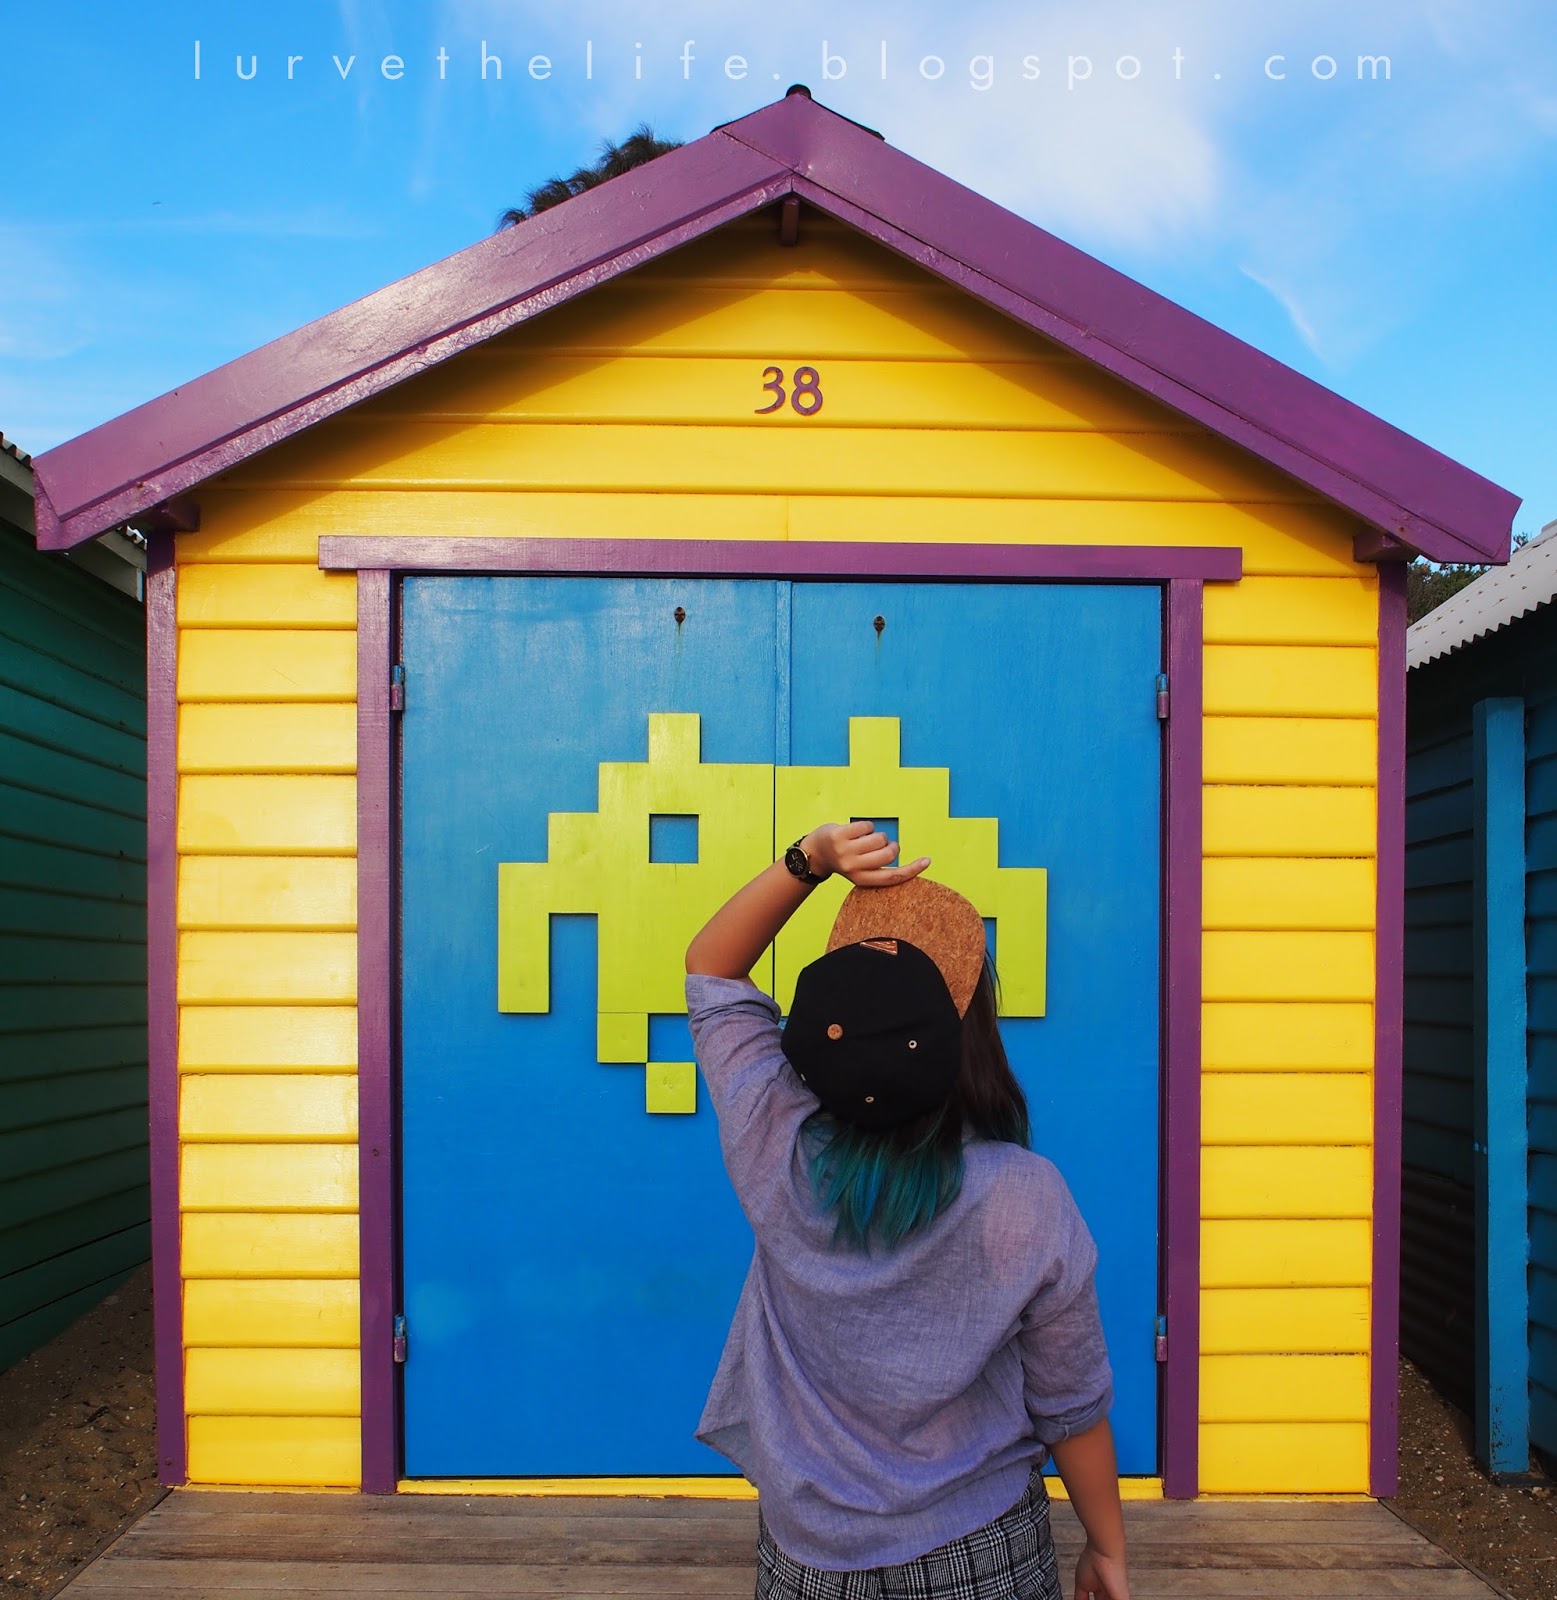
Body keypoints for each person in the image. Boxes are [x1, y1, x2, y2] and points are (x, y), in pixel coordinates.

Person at [684, 818, 1130, 1600]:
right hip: (982, 1551)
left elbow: (711, 969)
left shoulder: (772, 1137)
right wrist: (1106, 1548)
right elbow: (1072, 1405)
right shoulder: (1023, 1193)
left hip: (807, 1557)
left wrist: (809, 860)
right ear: (969, 1031)